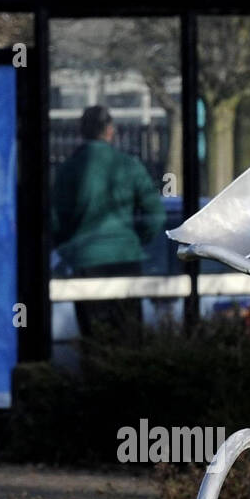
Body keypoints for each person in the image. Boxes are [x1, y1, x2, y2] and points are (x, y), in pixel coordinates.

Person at [51, 105, 165, 339]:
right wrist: (135, 240)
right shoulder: (129, 165)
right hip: (127, 259)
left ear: (81, 132)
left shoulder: (69, 170)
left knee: (95, 339)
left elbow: (54, 221)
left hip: (87, 262)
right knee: (128, 339)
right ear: (110, 131)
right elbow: (156, 213)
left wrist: (69, 246)